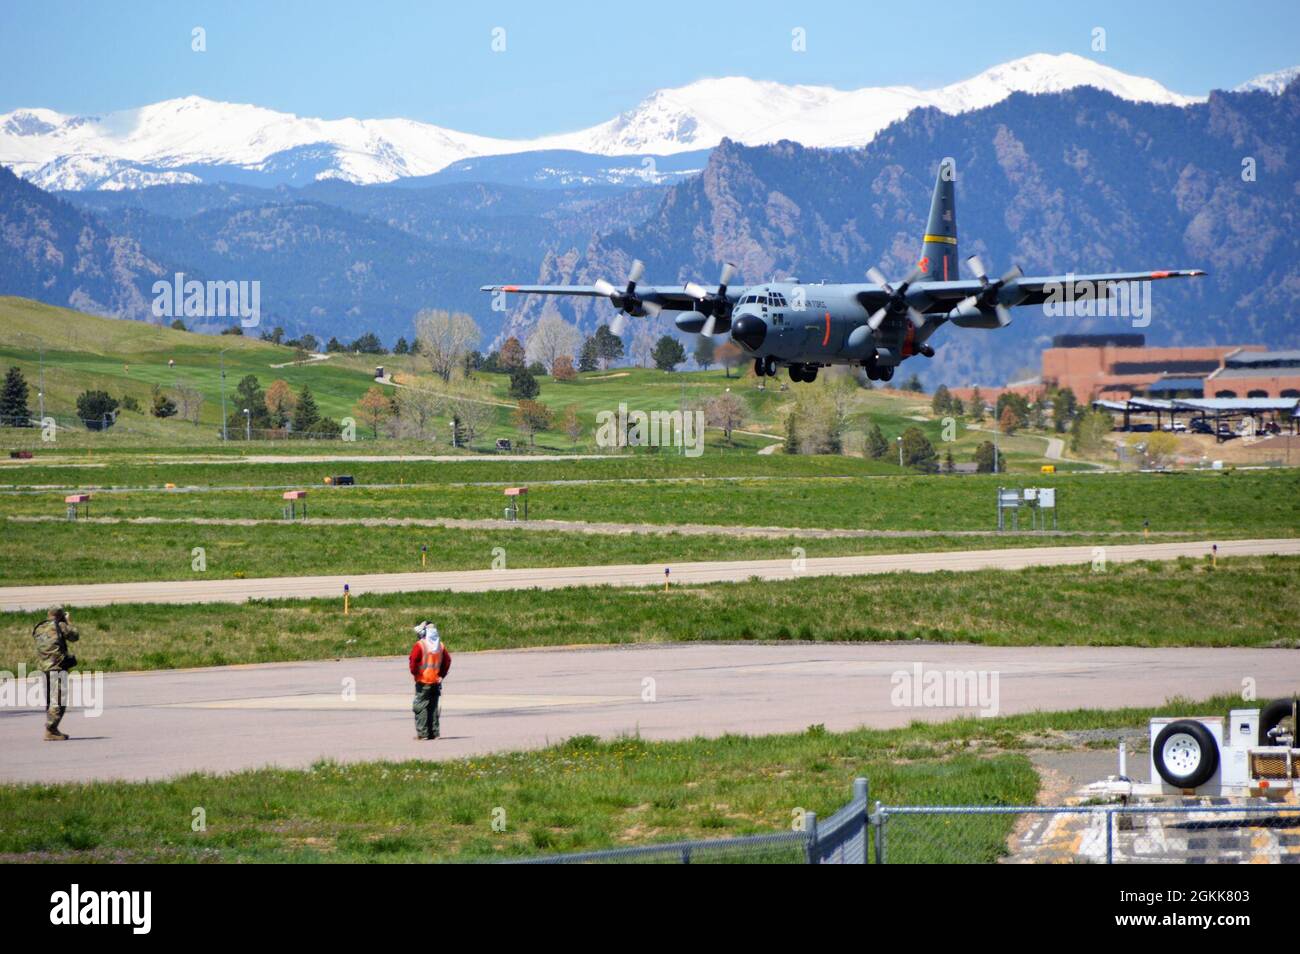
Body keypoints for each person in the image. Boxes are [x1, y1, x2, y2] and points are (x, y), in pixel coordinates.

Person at [32, 606, 79, 741]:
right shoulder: (61, 625)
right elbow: (75, 636)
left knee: (50, 700)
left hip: (44, 667)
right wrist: (68, 622)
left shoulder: (39, 627)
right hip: (57, 667)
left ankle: (53, 728)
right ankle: (50, 730)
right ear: (60, 616)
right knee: (59, 700)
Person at [408, 621, 451, 740]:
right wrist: (441, 675)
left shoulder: (420, 645)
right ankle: (434, 733)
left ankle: (423, 734)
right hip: (436, 682)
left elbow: (413, 662)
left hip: (423, 681)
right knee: (433, 707)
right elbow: (447, 661)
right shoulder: (440, 646)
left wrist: (416, 674)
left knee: (421, 707)